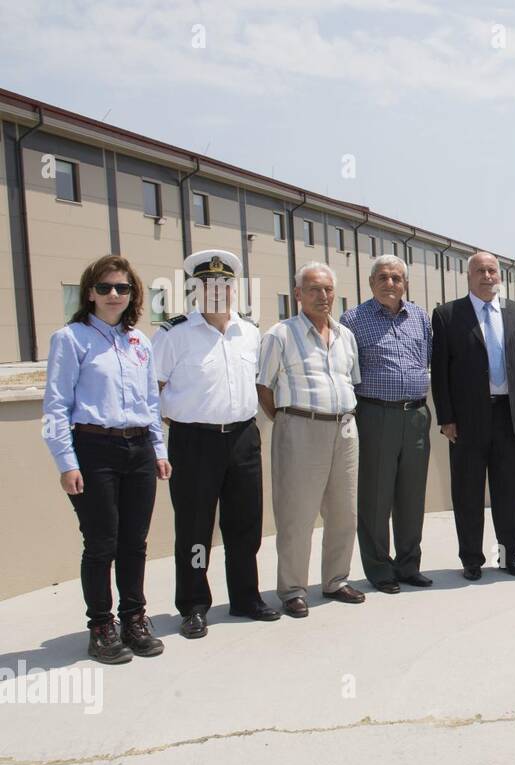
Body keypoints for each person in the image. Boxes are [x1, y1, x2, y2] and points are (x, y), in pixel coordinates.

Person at [42, 254, 170, 663]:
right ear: (90, 293)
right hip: (93, 450)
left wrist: (159, 450)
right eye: (105, 287)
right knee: (101, 543)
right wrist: (66, 462)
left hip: (138, 450)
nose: (114, 294)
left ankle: (134, 618)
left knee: (134, 542)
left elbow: (151, 401)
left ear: (133, 294)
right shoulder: (71, 338)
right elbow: (56, 406)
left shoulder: (140, 341)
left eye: (123, 288)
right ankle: (101, 625)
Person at [152, 249, 279, 639]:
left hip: (242, 437)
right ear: (194, 289)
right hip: (194, 443)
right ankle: (193, 605)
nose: (218, 291)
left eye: (225, 284)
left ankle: (245, 597)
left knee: (245, 525)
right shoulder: (173, 334)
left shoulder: (251, 332)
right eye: (208, 285)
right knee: (195, 528)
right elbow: (152, 392)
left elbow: (260, 384)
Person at [256, 263, 365, 618]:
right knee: (297, 515)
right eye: (314, 289)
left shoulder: (345, 336)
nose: (323, 296)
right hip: (300, 427)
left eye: (328, 289)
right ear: (298, 293)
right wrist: (290, 421)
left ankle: (334, 580)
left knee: (345, 512)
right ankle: (292, 589)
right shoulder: (280, 335)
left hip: (345, 429)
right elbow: (263, 388)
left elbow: (352, 379)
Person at [431, 252, 515, 580]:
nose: (487, 276)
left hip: (508, 416)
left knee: (509, 491)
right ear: (468, 276)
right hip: (466, 421)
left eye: (492, 270)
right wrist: (446, 417)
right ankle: (471, 559)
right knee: (467, 492)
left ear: (500, 276)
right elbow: (440, 373)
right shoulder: (448, 314)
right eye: (480, 270)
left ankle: (508, 556)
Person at [341, 255, 433, 593]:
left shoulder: (420, 317)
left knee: (411, 496)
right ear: (370, 283)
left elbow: (428, 360)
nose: (389, 283)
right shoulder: (353, 319)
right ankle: (380, 570)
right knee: (375, 496)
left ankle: (409, 566)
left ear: (405, 283)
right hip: (375, 415)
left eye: (396, 277)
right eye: (382, 277)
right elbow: (345, 370)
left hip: (416, 416)